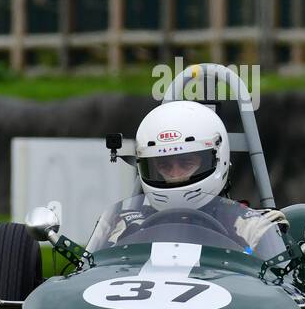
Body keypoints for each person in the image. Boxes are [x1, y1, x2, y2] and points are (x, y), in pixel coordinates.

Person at [87, 100, 287, 253]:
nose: (175, 176)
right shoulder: (120, 225)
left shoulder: (253, 226)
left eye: (186, 163)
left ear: (217, 158)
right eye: (164, 165)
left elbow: (281, 290)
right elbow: (90, 277)